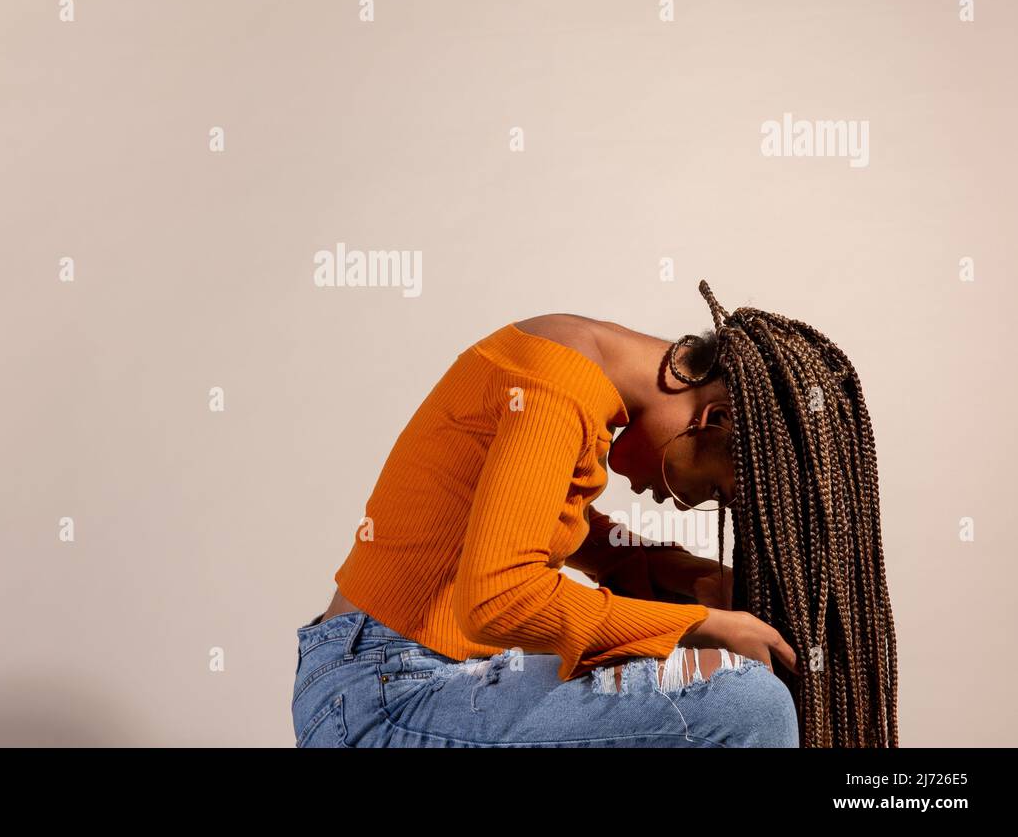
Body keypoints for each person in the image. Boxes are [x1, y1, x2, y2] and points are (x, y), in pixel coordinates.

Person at [292, 281, 897, 748]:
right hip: (381, 697)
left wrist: (685, 576)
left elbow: (543, 526)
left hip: (387, 671)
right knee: (747, 705)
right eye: (712, 488)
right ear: (712, 422)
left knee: (710, 685)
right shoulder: (559, 388)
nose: (682, 503)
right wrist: (698, 627)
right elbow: (497, 597)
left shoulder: (570, 356)